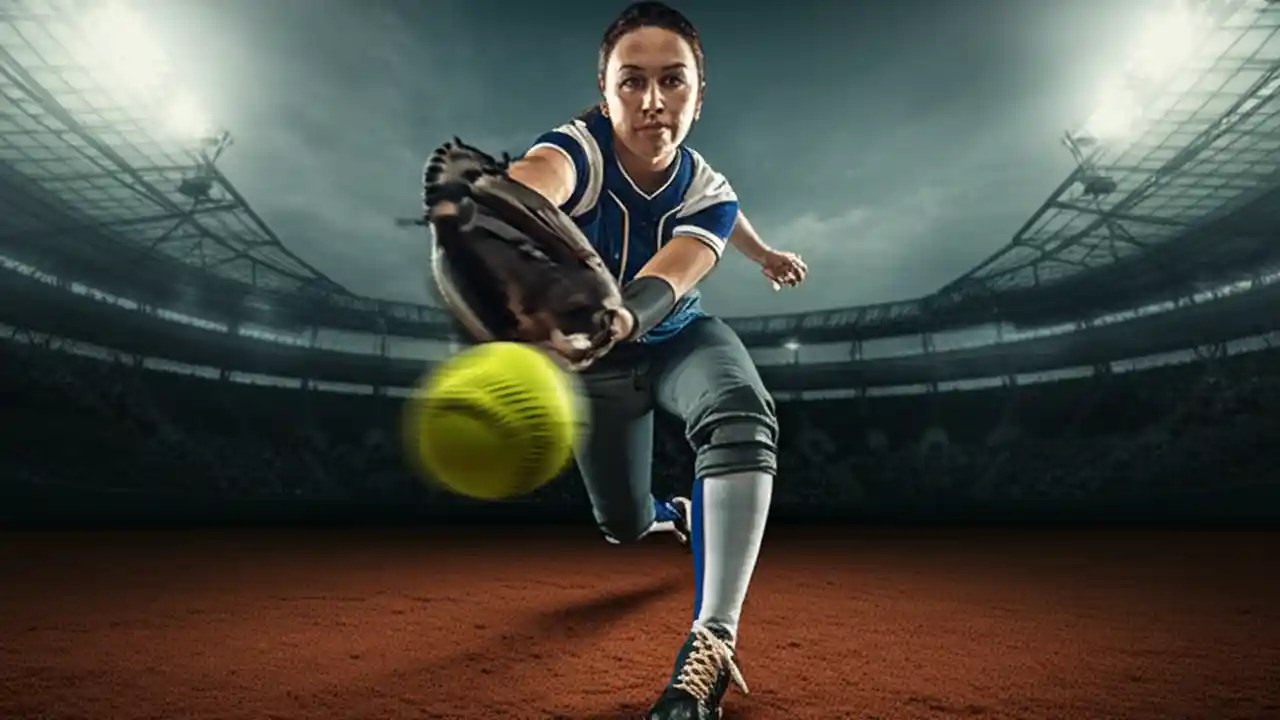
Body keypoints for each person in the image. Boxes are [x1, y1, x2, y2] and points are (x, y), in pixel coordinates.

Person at [502, 2, 807, 717]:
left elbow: (668, 280)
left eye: (672, 80)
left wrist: (614, 316)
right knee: (622, 525)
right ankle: (672, 514)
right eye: (631, 81)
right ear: (604, 93)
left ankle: (713, 642)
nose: (651, 100)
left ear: (699, 97)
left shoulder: (710, 194)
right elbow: (537, 179)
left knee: (739, 411)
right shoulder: (577, 150)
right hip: (600, 371)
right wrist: (503, 211)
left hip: (676, 338)